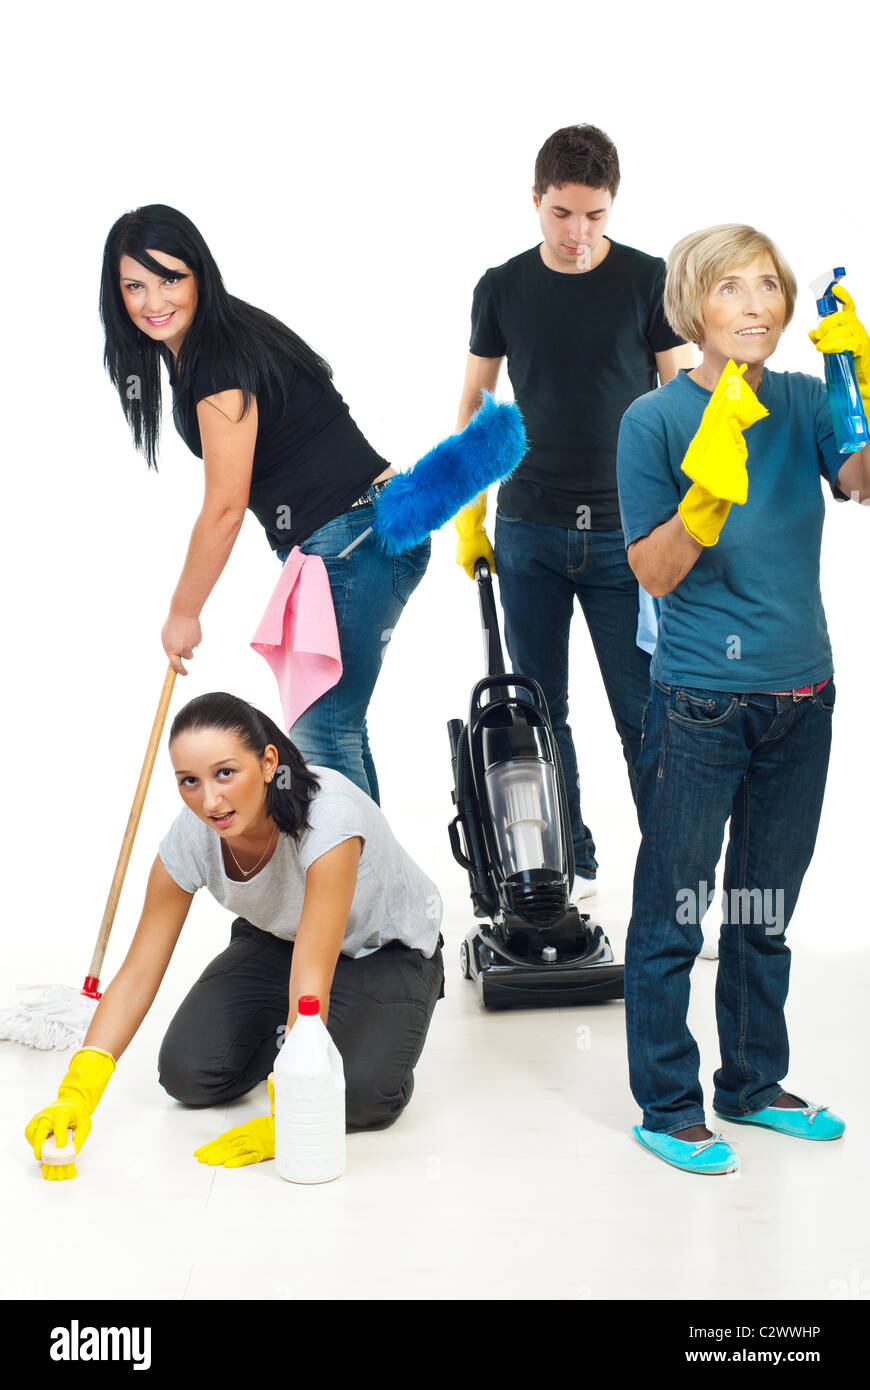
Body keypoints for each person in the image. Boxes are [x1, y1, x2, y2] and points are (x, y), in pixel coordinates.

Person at [615, 223, 869, 1174]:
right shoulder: (656, 422)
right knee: (676, 909)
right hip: (701, 705)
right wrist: (705, 498)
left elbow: (859, 483)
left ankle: (753, 1085)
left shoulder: (804, 400)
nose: (757, 303)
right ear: (694, 305)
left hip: (803, 696)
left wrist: (858, 396)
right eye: (731, 287)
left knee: (763, 911)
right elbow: (652, 567)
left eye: (770, 285)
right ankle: (668, 1104)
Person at [25, 694, 445, 1179]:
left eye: (226, 773)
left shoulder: (329, 818)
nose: (210, 801)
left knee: (366, 1093)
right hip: (277, 940)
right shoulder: (191, 836)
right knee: (189, 1073)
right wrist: (77, 1093)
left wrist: (289, 1108)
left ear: (268, 763)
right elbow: (139, 970)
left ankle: (360, 1033)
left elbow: (312, 974)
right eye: (190, 781)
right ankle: (303, 1038)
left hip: (384, 951)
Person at [100, 204, 429, 802]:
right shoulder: (214, 342)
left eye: (169, 279)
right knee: (338, 730)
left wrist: (183, 612)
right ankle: (374, 894)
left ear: (198, 273)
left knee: (324, 734)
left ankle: (359, 895)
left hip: (353, 540)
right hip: (362, 533)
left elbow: (225, 508)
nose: (153, 301)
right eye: (134, 286)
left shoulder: (217, 362)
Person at [454, 125, 693, 892]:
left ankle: (677, 882)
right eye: (562, 214)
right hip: (528, 531)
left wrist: (686, 520)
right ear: (536, 201)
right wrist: (469, 511)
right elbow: (477, 402)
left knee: (647, 719)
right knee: (539, 715)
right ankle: (571, 865)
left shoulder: (649, 280)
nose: (579, 233)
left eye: (594, 215)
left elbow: (684, 400)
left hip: (630, 536)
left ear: (612, 204)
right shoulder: (501, 287)